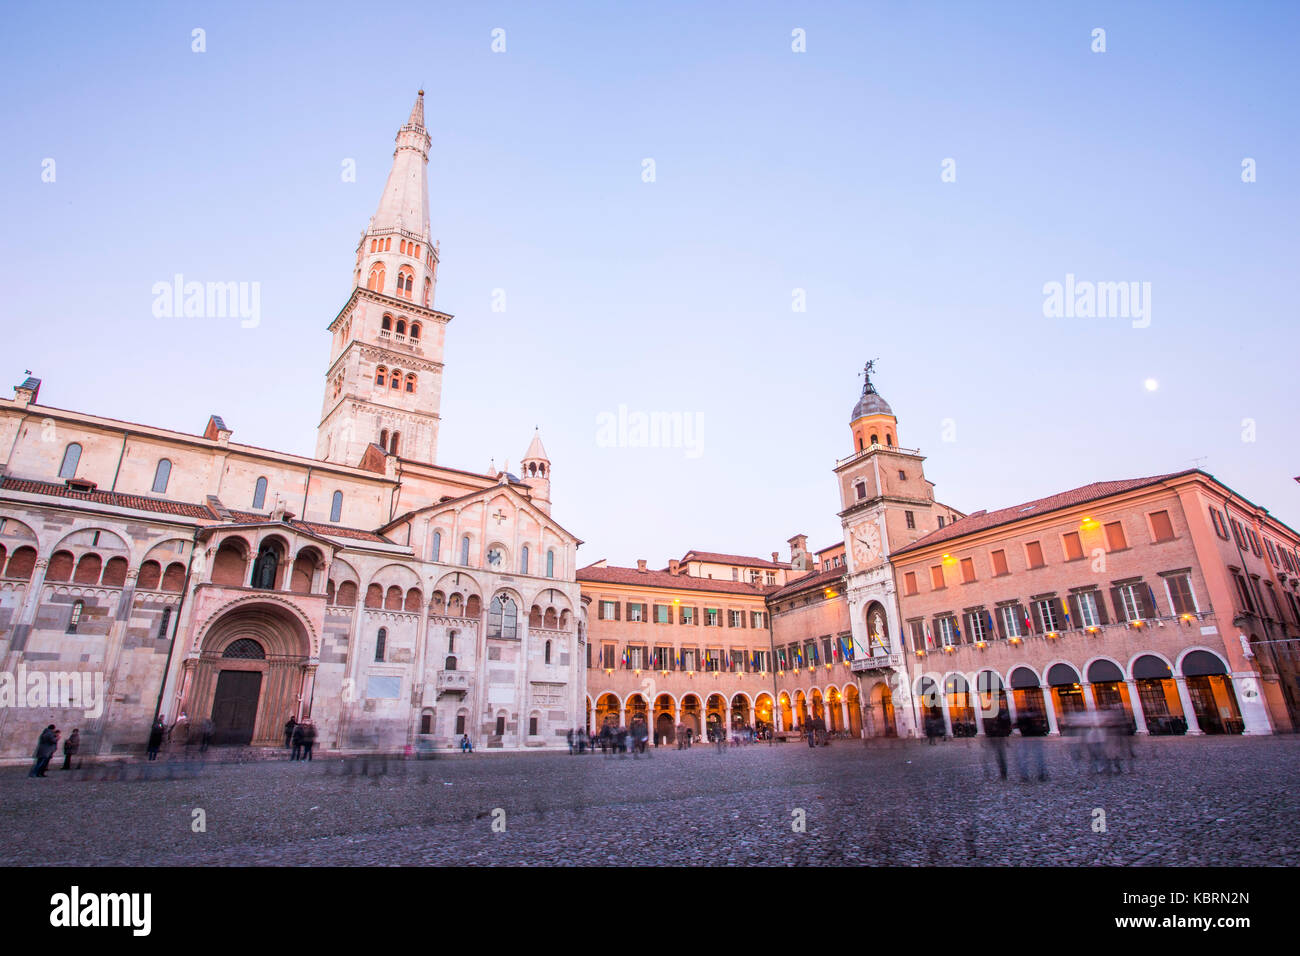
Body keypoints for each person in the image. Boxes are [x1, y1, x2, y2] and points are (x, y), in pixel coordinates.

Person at [983, 708, 1011, 780]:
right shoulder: (987, 712)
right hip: (992, 737)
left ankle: (1003, 773)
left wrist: (1005, 733)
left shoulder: (1001, 712)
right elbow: (986, 725)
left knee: (999, 756)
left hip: (998, 736)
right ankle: (989, 773)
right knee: (988, 757)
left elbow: (1007, 724)